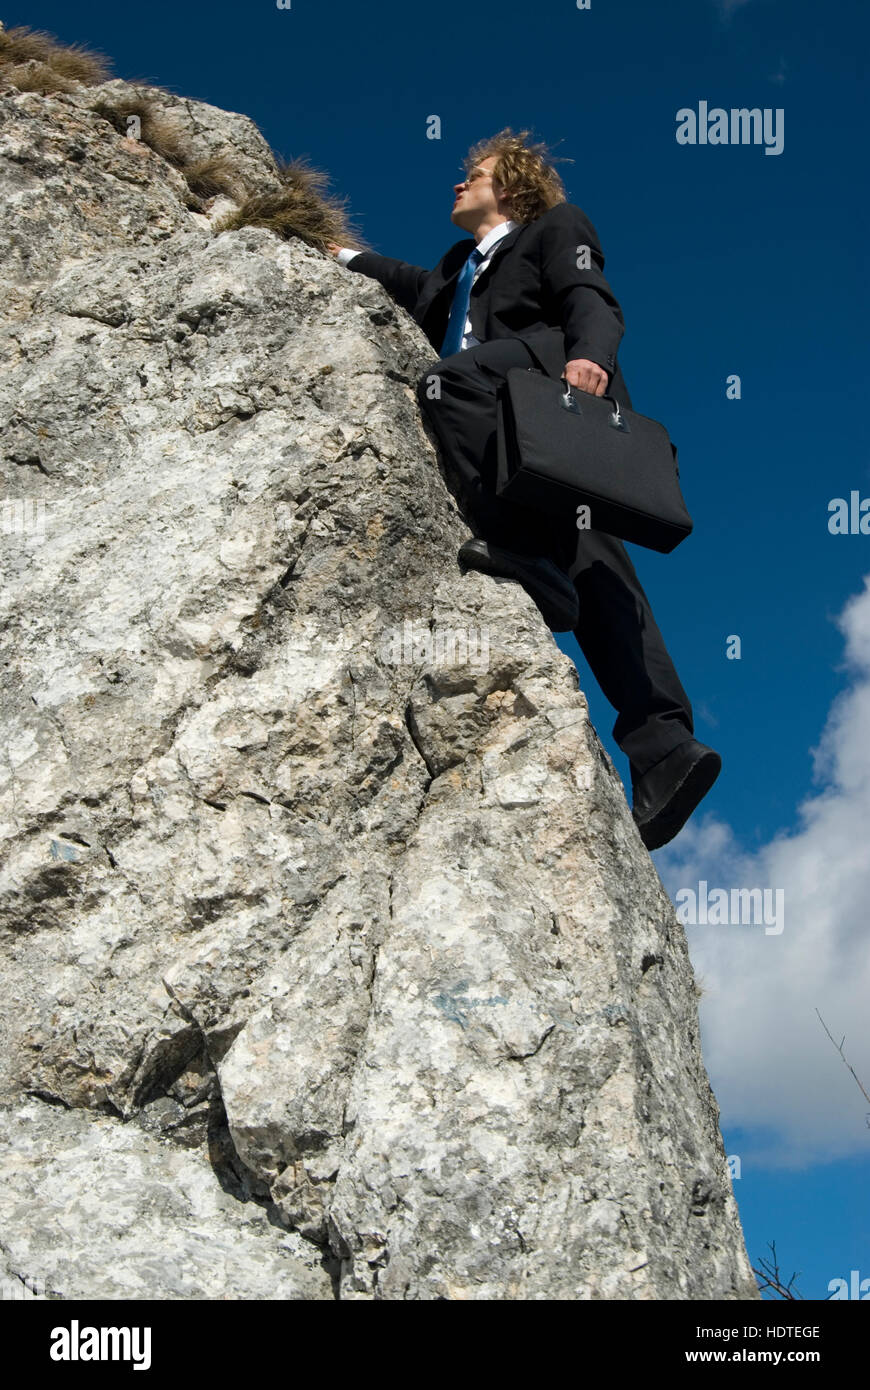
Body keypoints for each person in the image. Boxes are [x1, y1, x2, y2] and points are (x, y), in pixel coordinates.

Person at [327, 128, 720, 851]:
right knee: (598, 570)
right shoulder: (456, 267)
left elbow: (592, 301)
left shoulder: (555, 228)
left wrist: (591, 361)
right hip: (505, 437)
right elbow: (414, 288)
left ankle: (523, 551)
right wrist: (340, 252)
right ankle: (666, 750)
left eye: (471, 174)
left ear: (509, 186)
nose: (457, 184)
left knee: (451, 379)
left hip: (545, 397)